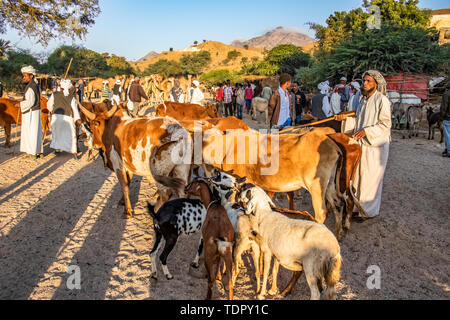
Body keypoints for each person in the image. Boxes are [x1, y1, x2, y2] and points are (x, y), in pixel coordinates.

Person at [337, 70, 392, 220]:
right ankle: (356, 207)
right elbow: (357, 121)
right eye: (364, 81)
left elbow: (386, 124)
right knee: (358, 177)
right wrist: (345, 118)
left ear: (376, 84)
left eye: (369, 81)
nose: (365, 84)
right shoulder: (363, 100)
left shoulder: (382, 100)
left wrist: (367, 131)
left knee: (370, 179)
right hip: (361, 145)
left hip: (375, 147)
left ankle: (367, 211)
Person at [47, 79, 81, 159]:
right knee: (71, 135)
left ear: (61, 88)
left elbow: (49, 105)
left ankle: (57, 149)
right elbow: (74, 109)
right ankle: (74, 153)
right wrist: (77, 119)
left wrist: (52, 111)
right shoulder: (71, 97)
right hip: (67, 118)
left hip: (56, 117)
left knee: (57, 134)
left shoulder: (54, 94)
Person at [18, 66, 43, 159]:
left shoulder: (30, 86)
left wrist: (20, 104)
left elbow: (30, 101)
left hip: (31, 113)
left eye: (25, 76)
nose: (24, 77)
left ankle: (32, 153)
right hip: (35, 111)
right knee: (36, 132)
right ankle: (37, 151)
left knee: (31, 132)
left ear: (31, 76)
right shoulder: (34, 85)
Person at [440, 81, 450, 158]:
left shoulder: (446, 93)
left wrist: (442, 116)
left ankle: (449, 151)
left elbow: (444, 107)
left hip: (448, 117)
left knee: (447, 135)